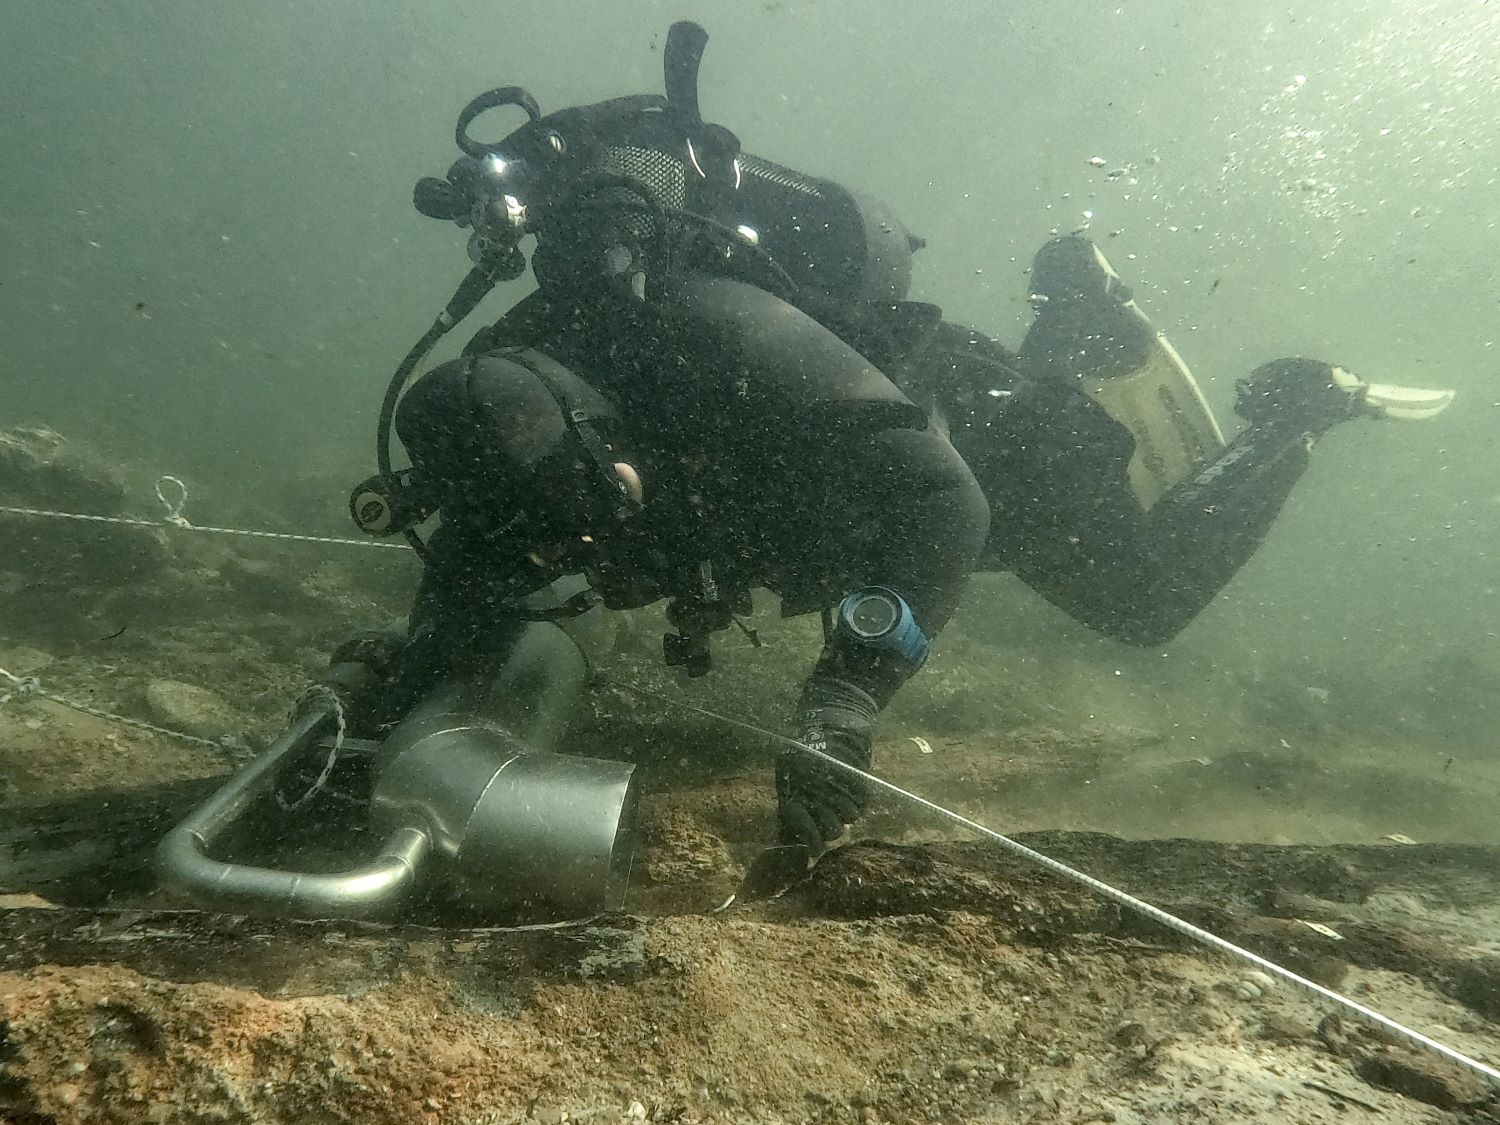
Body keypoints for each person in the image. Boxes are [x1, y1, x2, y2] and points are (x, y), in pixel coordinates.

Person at [335, 22, 1451, 863]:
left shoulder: (707, 333)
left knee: (1143, 601)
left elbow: (943, 506)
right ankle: (1075, 315)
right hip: (835, 474)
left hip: (970, 439)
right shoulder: (521, 433)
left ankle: (1299, 409)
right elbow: (483, 570)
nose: (577, 545)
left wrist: (845, 700)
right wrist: (402, 682)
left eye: (592, 505)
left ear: (601, 430)